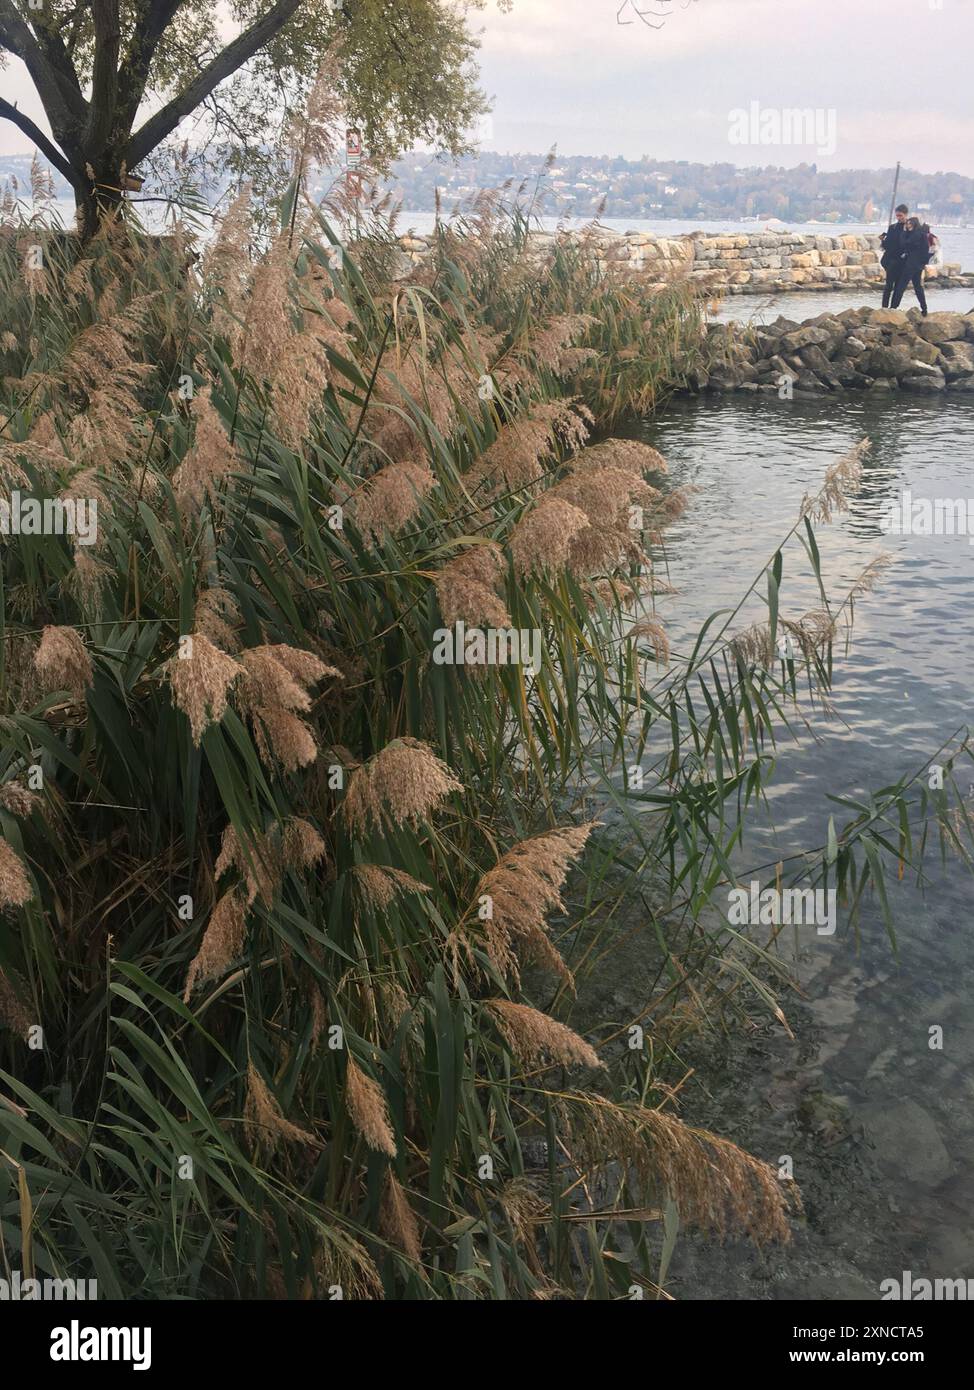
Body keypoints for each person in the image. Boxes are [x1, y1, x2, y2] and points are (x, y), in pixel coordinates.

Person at [890, 216, 930, 315]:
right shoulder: (922, 234)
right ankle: (924, 309)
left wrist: (903, 232)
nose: (907, 226)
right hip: (918, 265)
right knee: (918, 287)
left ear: (913, 224)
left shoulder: (916, 234)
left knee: (901, 286)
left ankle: (893, 307)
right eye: (907, 224)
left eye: (909, 224)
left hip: (911, 264)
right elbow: (925, 250)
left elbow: (904, 244)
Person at [879, 203, 909, 308]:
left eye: (900, 215)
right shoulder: (893, 227)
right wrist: (883, 241)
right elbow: (888, 245)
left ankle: (894, 308)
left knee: (898, 288)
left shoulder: (909, 228)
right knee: (888, 286)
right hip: (891, 260)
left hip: (903, 261)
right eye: (897, 216)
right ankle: (884, 307)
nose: (899, 218)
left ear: (906, 215)